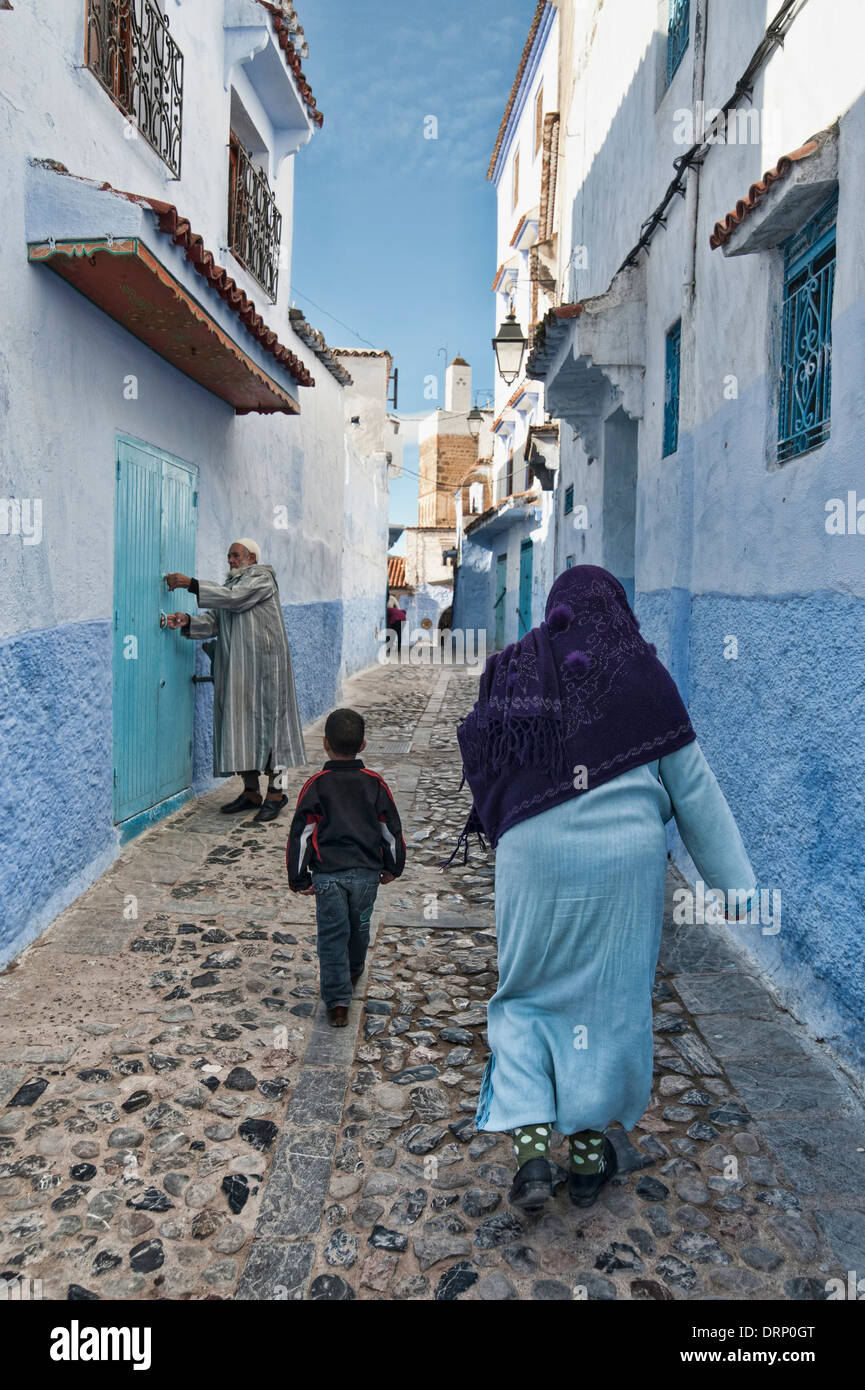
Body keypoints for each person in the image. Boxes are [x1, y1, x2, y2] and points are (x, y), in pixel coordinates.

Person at [449, 565, 757, 1214]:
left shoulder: (516, 670)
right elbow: (694, 791)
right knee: (605, 1014)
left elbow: (486, 769)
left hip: (532, 862)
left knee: (527, 998)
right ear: (616, 611)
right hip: (622, 870)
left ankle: (532, 1156)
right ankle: (587, 1165)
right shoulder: (643, 677)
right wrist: (735, 890)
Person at [163, 538, 305, 824]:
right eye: (228, 555)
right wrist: (188, 621)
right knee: (241, 729)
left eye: (235, 555)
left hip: (266, 671)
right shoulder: (229, 586)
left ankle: (276, 796)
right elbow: (217, 620)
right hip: (239, 671)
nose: (230, 560)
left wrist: (191, 584)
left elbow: (236, 599)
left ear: (251, 557)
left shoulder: (262, 578)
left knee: (272, 732)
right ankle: (251, 793)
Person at [287, 708, 406, 1027]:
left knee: (331, 934)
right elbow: (391, 829)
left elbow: (301, 834)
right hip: (367, 876)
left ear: (325, 744)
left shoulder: (316, 785)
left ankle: (338, 1003)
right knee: (359, 926)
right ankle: (354, 971)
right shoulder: (375, 784)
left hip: (328, 878)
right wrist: (394, 866)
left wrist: (299, 878)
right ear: (363, 744)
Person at [386, 592, 407, 658]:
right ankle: (399, 649)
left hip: (396, 619)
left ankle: (389, 649)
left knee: (391, 634)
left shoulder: (388, 610)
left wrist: (389, 625)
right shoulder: (396, 609)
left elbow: (390, 619)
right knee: (399, 634)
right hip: (403, 619)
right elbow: (400, 610)